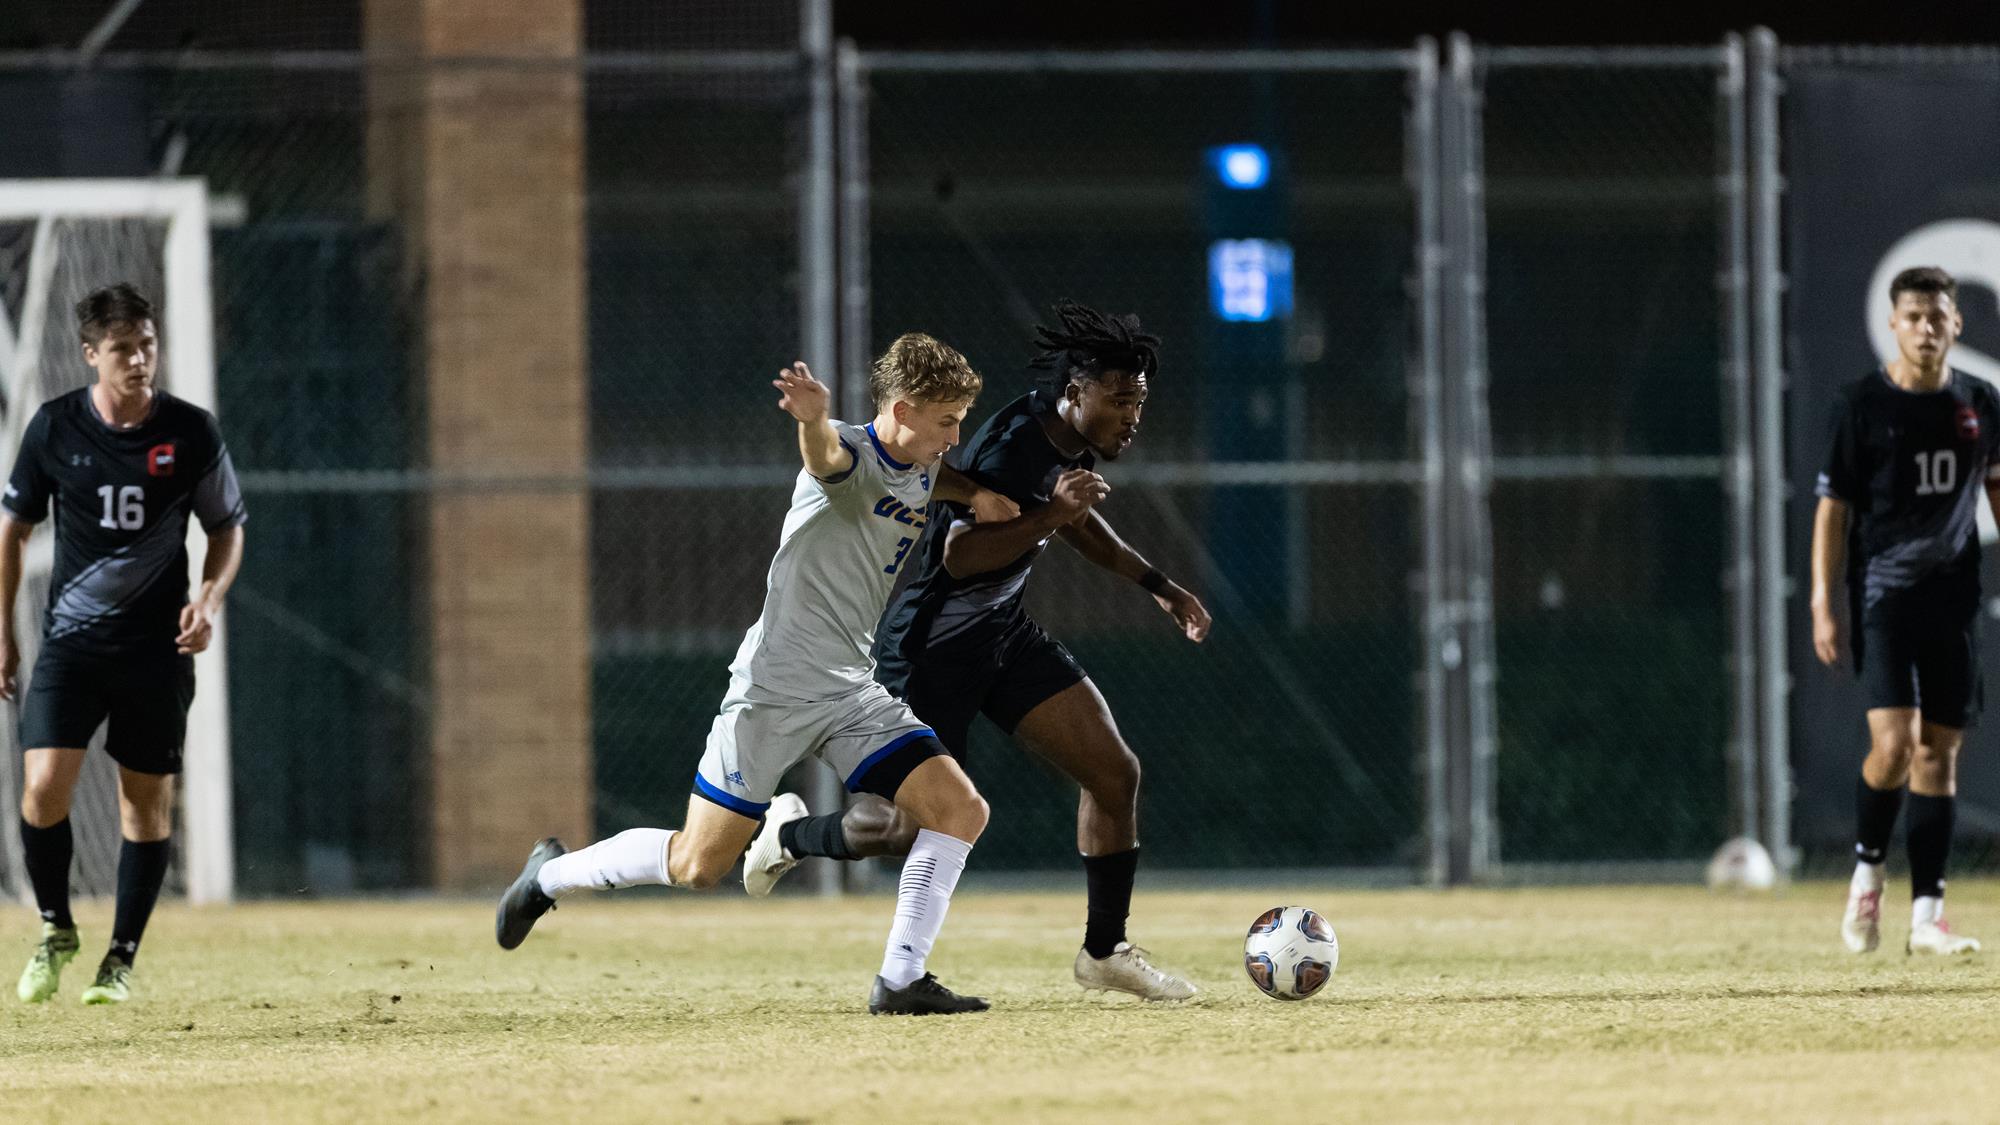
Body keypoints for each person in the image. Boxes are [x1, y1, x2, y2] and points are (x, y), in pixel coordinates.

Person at [495, 336, 1019, 1015]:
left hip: (850, 689)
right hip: (773, 690)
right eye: (947, 420)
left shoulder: (922, 460)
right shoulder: (850, 456)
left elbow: (926, 477)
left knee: (960, 809)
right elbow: (827, 457)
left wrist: (975, 490)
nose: (957, 435)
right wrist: (810, 420)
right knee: (697, 865)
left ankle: (899, 980)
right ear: (904, 409)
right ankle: (549, 875)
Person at [744, 303, 1210, 1001]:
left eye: (1138, 402)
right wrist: (1051, 515)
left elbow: (1074, 520)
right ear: (1076, 392)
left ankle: (1104, 950)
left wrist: (1158, 584)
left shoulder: (1069, 437)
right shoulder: (1015, 443)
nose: (1131, 417)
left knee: (1114, 773)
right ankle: (790, 833)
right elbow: (961, 556)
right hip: (930, 647)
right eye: (1119, 401)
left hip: (1001, 635)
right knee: (896, 827)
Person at [6, 283, 248, 1004]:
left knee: (145, 803)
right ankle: (55, 928)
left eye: (147, 345)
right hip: (71, 646)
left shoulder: (191, 431)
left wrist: (207, 596)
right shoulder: (53, 429)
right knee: (43, 786)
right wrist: (3, 638)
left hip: (155, 651)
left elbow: (228, 526)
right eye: (122, 349)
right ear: (90, 355)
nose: (140, 359)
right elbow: (11, 531)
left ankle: (120, 959)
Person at [1815, 266, 1996, 956]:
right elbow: (1834, 512)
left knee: (1939, 754)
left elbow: (1997, 487)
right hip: (1884, 594)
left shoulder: (1980, 402)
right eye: (1913, 315)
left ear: (1957, 323)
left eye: (1937, 315)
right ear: (1893, 323)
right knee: (1894, 743)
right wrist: (1822, 602)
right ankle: (1867, 875)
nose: (1926, 326)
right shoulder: (1861, 404)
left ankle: (1928, 916)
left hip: (1952, 601)